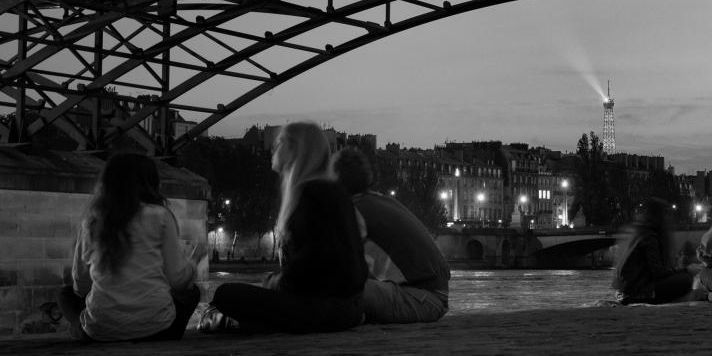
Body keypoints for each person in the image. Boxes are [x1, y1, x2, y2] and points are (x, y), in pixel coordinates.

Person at [199, 122, 367, 334]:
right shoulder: (332, 191)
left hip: (325, 308)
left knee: (225, 294)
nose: (273, 148)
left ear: (295, 150)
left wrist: (277, 282)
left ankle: (237, 321)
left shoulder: (311, 194)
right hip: (348, 308)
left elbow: (311, 263)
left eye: (280, 143)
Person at [58, 153, 204, 342]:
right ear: (151, 182)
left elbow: (80, 286)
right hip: (159, 329)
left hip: (101, 332)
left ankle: (81, 329)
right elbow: (177, 280)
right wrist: (194, 259)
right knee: (192, 293)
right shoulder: (161, 216)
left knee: (66, 294)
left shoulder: (92, 222)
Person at [332, 148, 451, 323]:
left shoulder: (354, 211)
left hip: (422, 298)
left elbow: (343, 265)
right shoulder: (380, 201)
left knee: (336, 290)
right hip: (433, 295)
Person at [612, 198, 701, 304]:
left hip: (622, 292)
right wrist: (687, 270)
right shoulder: (649, 236)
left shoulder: (633, 231)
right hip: (639, 292)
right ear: (660, 217)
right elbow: (659, 273)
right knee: (686, 279)